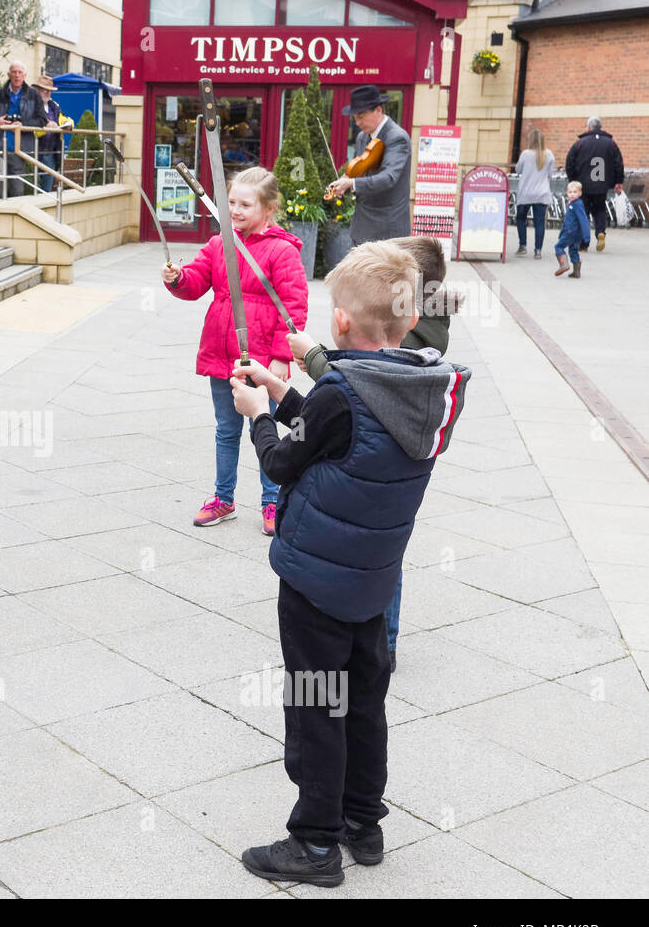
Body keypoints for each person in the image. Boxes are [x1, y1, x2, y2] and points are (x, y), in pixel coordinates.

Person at [231, 240, 470, 887]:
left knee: (317, 707)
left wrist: (258, 416)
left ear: (340, 321)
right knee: (365, 701)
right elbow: (337, 437)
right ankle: (363, 822)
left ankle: (313, 842)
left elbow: (287, 460)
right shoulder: (420, 386)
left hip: (316, 584)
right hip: (371, 581)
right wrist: (287, 395)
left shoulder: (339, 392)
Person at [288, 236, 465, 674]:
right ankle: (379, 644)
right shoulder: (424, 322)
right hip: (390, 471)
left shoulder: (409, 328)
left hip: (369, 466)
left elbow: (363, 386)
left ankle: (382, 641)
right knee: (383, 556)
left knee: (374, 560)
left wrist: (313, 358)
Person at [161, 166, 309, 536]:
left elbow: (293, 305)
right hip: (222, 353)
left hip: (262, 360)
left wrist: (280, 355)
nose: (236, 210)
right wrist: (178, 279)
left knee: (268, 428)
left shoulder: (282, 250)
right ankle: (223, 498)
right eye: (231, 203)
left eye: (246, 204)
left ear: (269, 208)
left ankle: (272, 500)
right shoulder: (217, 244)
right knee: (226, 430)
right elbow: (196, 281)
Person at [326, 85, 412, 245]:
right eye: (355, 118)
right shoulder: (362, 137)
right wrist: (344, 184)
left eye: (361, 116)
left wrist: (352, 183)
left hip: (388, 231)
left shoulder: (397, 137)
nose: (357, 122)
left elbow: (388, 178)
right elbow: (359, 171)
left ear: (378, 110)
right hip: (362, 228)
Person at [0, 62, 43, 196]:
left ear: (25, 75)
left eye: (20, 72)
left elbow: (42, 120)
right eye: (14, 72)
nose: (17, 75)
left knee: (17, 190)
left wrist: (23, 125)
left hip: (19, 150)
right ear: (8, 74)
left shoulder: (33, 95)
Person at [565, 117, 624, 253]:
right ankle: (600, 232)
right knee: (600, 210)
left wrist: (573, 180)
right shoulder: (611, 143)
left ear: (589, 127)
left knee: (583, 212)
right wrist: (618, 181)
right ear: (600, 127)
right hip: (602, 184)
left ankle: (583, 244)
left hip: (583, 185)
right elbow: (618, 163)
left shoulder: (580, 143)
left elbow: (570, 163)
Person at [514, 129, 555, 259]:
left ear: (530, 140)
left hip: (526, 192)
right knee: (540, 223)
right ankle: (538, 251)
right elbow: (550, 174)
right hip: (542, 193)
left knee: (521, 219)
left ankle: (523, 246)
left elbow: (518, 170)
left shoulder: (525, 154)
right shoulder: (549, 154)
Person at [31, 75, 71, 192]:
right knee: (32, 188)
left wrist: (69, 124)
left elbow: (63, 119)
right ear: (37, 91)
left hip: (51, 154)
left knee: (46, 190)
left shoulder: (54, 106)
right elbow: (28, 125)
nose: (48, 93)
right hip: (34, 152)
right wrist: (45, 128)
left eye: (50, 91)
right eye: (45, 90)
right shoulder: (30, 105)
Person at [554, 180, 589, 279]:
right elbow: (567, 221)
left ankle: (563, 265)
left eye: (575, 192)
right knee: (573, 250)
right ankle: (576, 272)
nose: (572, 194)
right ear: (567, 193)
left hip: (571, 232)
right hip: (575, 233)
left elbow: (583, 219)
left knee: (558, 247)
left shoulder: (576, 204)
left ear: (580, 193)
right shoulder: (573, 203)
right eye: (570, 192)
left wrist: (586, 236)